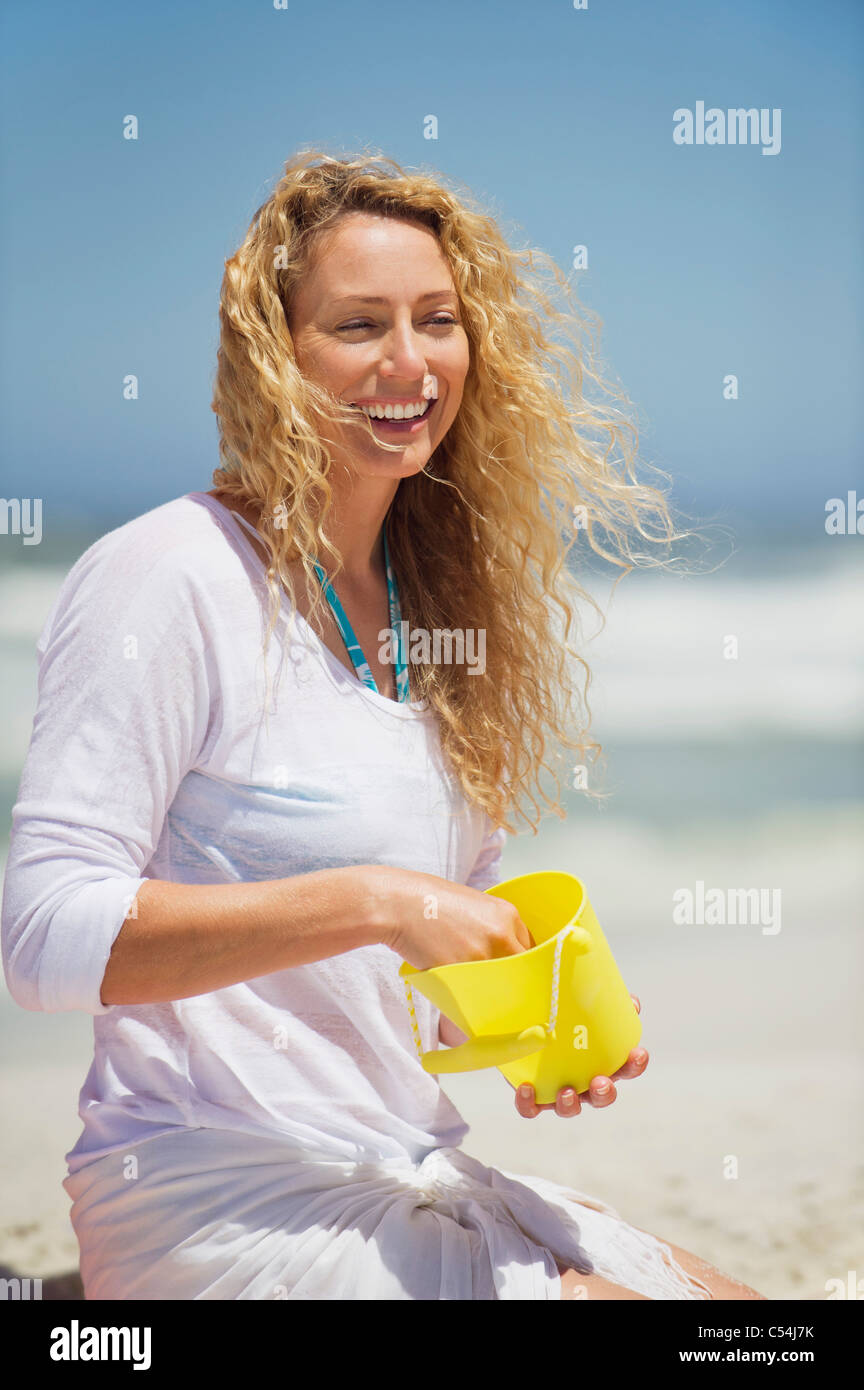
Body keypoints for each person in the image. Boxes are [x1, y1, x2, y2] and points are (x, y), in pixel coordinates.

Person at [1, 150, 764, 1301]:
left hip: (406, 1160)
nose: (409, 363)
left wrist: (532, 1021)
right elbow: (43, 937)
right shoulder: (170, 575)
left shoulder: (431, 596)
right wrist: (379, 901)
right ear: (277, 354)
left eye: (438, 320)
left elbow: (430, 936)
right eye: (359, 325)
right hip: (216, 1195)